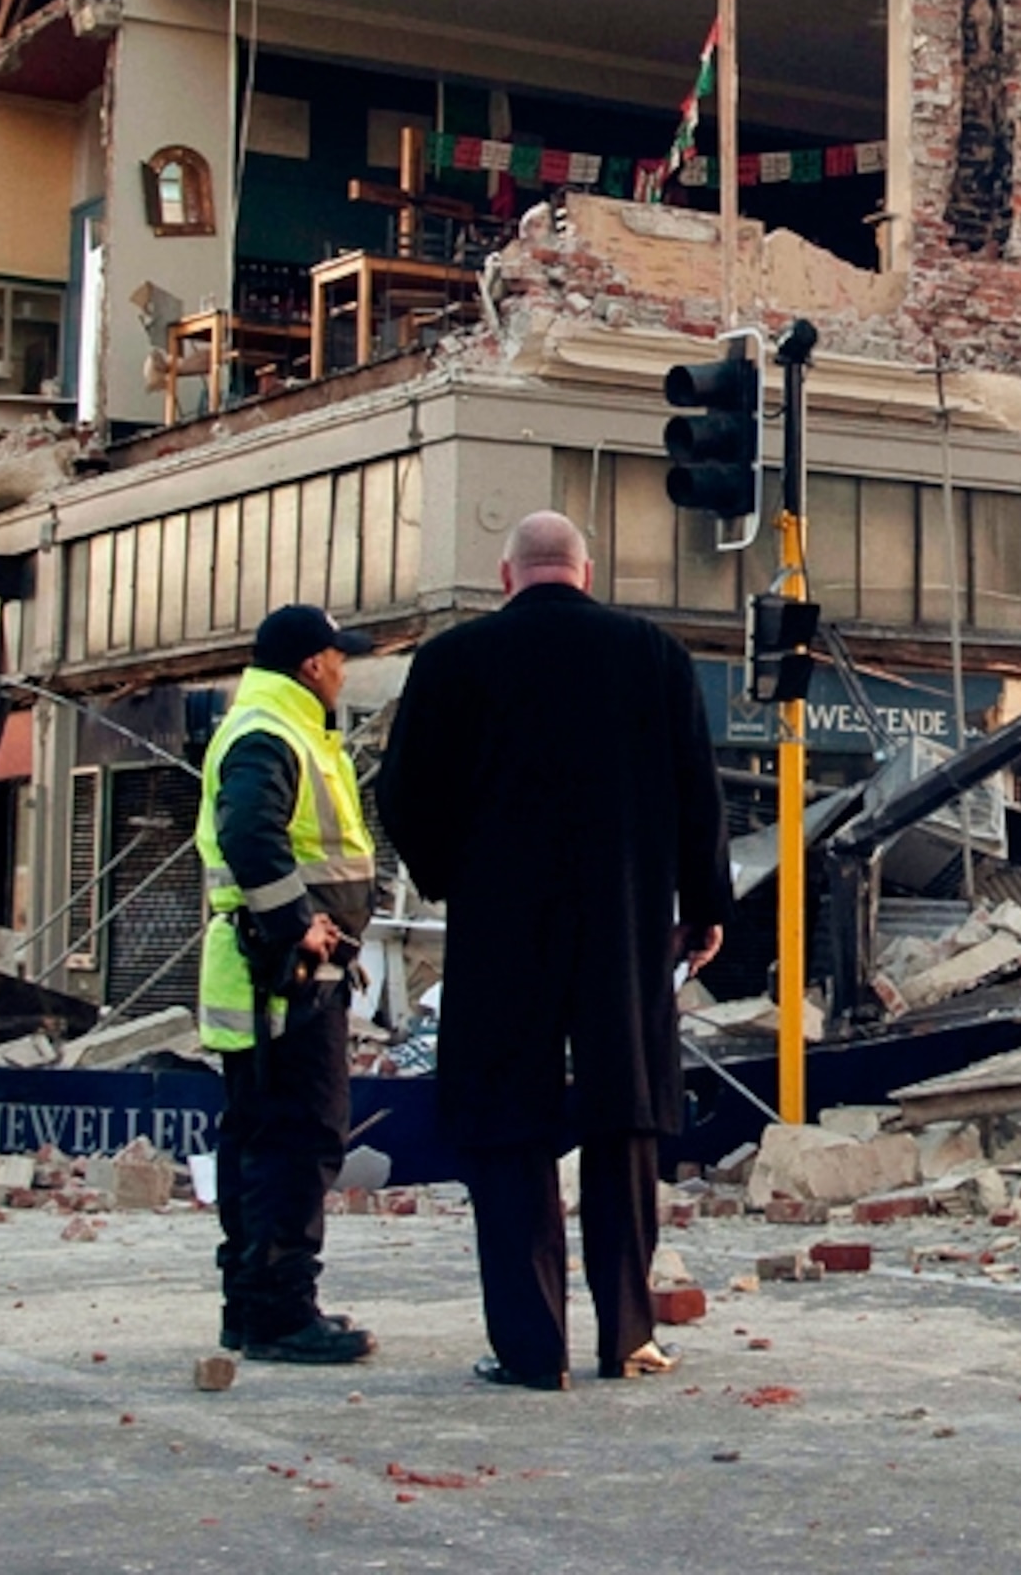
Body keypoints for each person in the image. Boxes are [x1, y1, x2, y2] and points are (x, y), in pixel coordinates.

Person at [379, 511, 731, 1391]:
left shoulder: (454, 662)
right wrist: (704, 905)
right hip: (626, 919)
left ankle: (532, 1350)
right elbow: (700, 790)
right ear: (586, 569)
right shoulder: (653, 655)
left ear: (506, 578)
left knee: (506, 1124)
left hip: (503, 928)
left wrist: (452, 873)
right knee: (624, 1116)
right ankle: (629, 1336)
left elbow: (404, 793)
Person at [195, 602, 381, 1366]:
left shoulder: (275, 727)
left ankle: (253, 1306)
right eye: (339, 658)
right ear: (312, 664)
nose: (344, 670)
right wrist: (296, 923)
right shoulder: (273, 732)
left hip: (276, 973)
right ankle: (279, 1311)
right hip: (286, 977)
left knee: (260, 1135)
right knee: (300, 1138)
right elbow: (248, 834)